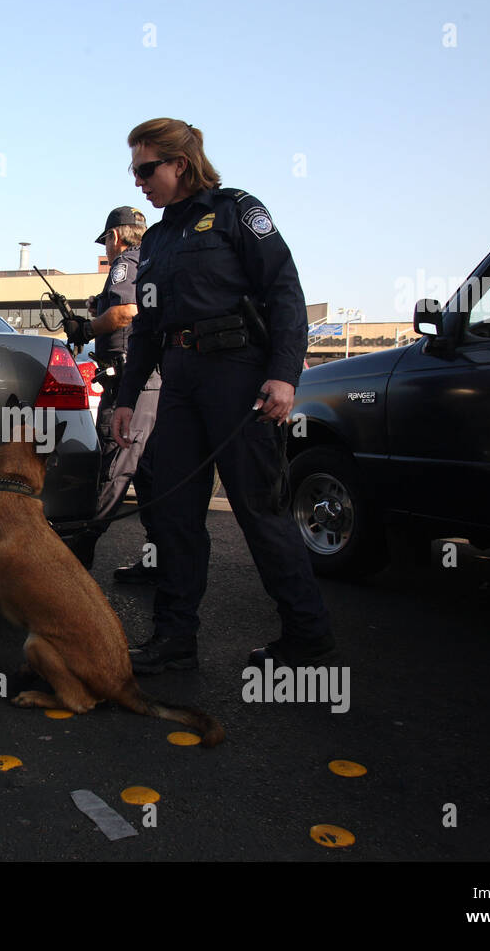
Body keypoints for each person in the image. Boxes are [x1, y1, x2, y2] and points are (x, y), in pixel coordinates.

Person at [110, 118, 333, 674]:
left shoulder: (236, 211)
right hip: (180, 381)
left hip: (237, 377)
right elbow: (145, 330)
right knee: (175, 513)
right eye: (133, 171)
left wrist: (285, 374)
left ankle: (307, 636)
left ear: (179, 164)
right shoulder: (156, 240)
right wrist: (125, 398)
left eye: (146, 169)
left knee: (259, 510)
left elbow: (284, 291)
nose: (139, 182)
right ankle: (174, 639)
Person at [62, 207, 164, 581]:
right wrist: (98, 308)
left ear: (116, 236)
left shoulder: (125, 263)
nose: (106, 247)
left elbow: (125, 312)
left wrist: (87, 328)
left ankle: (78, 553)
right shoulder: (151, 261)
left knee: (115, 465)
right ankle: (159, 563)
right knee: (149, 475)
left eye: (105, 239)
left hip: (129, 384)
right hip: (150, 383)